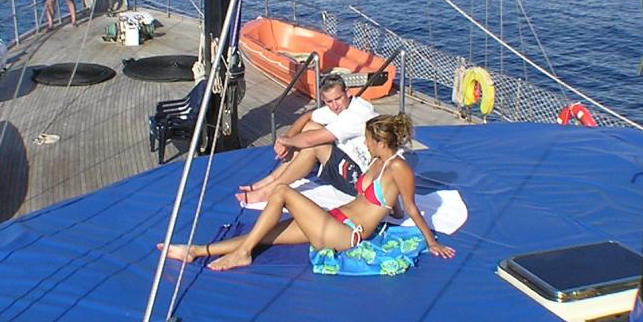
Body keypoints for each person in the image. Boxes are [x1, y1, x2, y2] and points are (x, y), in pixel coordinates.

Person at [162, 114, 454, 271]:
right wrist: (394, 210)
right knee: (268, 232)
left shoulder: (399, 168)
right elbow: (393, 204)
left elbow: (411, 207)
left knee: (282, 192)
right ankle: (196, 251)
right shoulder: (378, 161)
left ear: (381, 142)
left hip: (346, 233)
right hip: (334, 219)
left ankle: (242, 254)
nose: (364, 145)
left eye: (367, 140)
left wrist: (431, 242)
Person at [236, 72, 376, 206]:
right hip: (351, 163)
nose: (335, 105)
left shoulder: (356, 114)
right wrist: (288, 137)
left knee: (314, 146)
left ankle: (270, 190)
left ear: (348, 92)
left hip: (363, 180)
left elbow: (310, 140)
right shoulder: (341, 106)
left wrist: (285, 142)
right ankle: (272, 179)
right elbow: (307, 117)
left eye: (338, 99)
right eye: (329, 102)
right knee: (310, 126)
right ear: (324, 100)